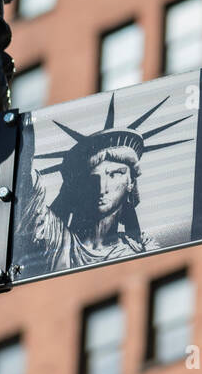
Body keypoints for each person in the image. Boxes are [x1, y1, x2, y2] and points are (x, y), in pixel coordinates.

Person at [17, 94, 188, 275]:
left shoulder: (143, 249)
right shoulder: (58, 240)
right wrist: (24, 125)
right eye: (93, 178)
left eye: (115, 174)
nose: (102, 187)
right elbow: (25, 181)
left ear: (131, 182)